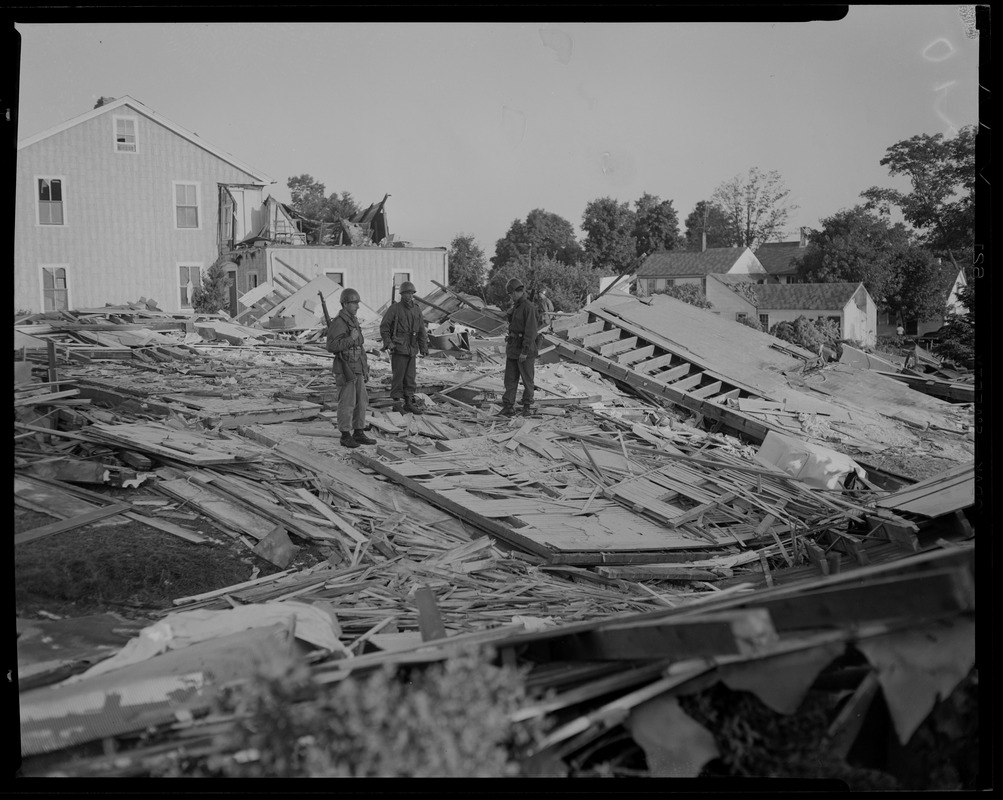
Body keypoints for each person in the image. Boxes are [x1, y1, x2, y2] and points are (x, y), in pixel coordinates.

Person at [326, 288, 377, 449]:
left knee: (361, 401)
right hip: (345, 367)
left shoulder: (353, 320)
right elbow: (332, 346)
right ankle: (345, 434)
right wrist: (350, 338)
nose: (357, 306)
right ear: (345, 304)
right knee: (347, 402)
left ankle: (359, 431)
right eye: (354, 303)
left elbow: (360, 346)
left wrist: (365, 368)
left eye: (357, 303)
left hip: (357, 367)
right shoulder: (339, 322)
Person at [380, 280, 429, 414]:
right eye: (406, 293)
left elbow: (421, 330)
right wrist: (389, 343)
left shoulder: (417, 309)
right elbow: (384, 327)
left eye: (411, 293)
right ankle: (396, 404)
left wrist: (423, 347)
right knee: (398, 377)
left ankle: (408, 402)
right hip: (399, 348)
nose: (409, 296)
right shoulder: (395, 309)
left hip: (412, 348)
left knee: (410, 377)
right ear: (401, 294)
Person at [498, 277, 539, 417]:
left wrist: (525, 350)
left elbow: (531, 331)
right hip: (513, 346)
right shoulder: (516, 307)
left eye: (511, 294)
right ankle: (508, 406)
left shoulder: (529, 307)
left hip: (524, 349)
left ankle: (526, 407)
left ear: (517, 291)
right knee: (510, 378)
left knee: (527, 379)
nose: (510, 297)